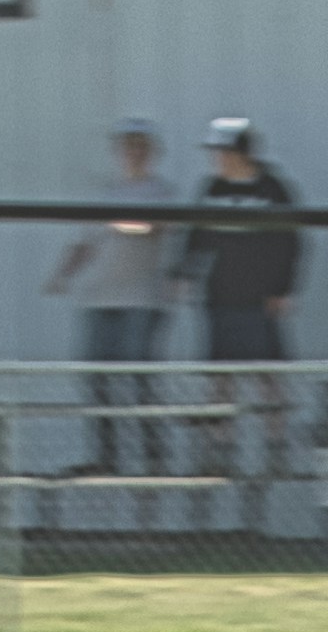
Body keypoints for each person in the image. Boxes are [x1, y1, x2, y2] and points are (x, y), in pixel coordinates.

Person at [44, 119, 178, 478]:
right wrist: (62, 274)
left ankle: (154, 456)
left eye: (141, 146)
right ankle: (107, 455)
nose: (134, 153)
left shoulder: (161, 193)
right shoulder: (105, 193)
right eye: (127, 146)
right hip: (99, 299)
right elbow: (85, 243)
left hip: (142, 300)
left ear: (152, 152)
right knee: (97, 378)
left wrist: (117, 224)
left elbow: (154, 229)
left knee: (139, 376)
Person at [186, 116, 306, 481]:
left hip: (260, 299)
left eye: (222, 151)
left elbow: (293, 243)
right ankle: (221, 449)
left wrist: (283, 289)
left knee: (267, 373)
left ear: (240, 152)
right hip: (221, 296)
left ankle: (277, 448)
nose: (217, 159)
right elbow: (195, 237)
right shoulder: (212, 189)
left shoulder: (273, 189)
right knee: (221, 376)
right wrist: (183, 272)